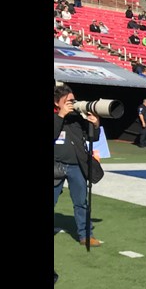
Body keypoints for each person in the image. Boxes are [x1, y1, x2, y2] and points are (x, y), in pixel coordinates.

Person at [54, 83, 105, 247]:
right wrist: (61, 115)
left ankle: (85, 235)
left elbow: (93, 138)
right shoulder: (56, 116)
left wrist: (95, 124)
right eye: (68, 100)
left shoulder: (77, 117)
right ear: (57, 102)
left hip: (77, 166)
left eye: (73, 100)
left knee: (81, 202)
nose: (72, 103)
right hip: (56, 166)